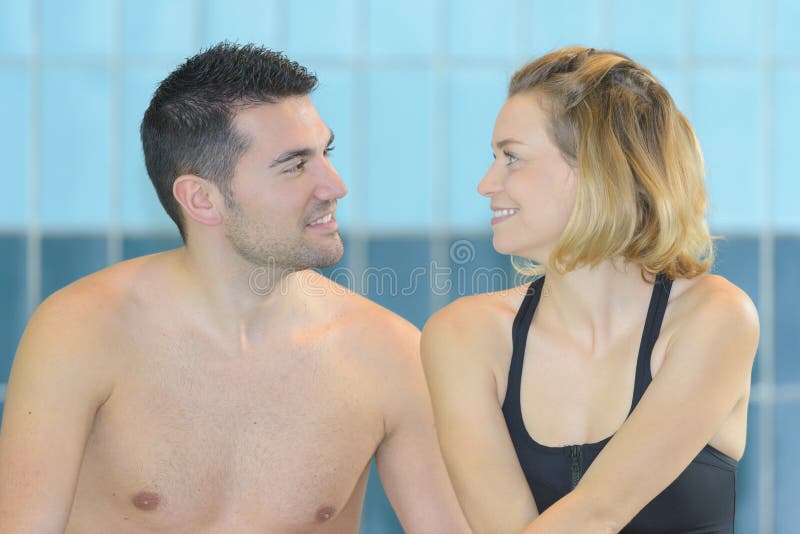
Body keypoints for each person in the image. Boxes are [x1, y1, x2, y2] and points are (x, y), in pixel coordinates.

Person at [0, 43, 470, 534]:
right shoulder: (81, 333)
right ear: (202, 199)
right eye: (294, 165)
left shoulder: (389, 353)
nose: (334, 185)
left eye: (325, 153)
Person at [422, 47, 759, 534]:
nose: (485, 184)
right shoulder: (464, 336)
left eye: (512, 157)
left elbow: (599, 513)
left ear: (598, 168)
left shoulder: (714, 318)